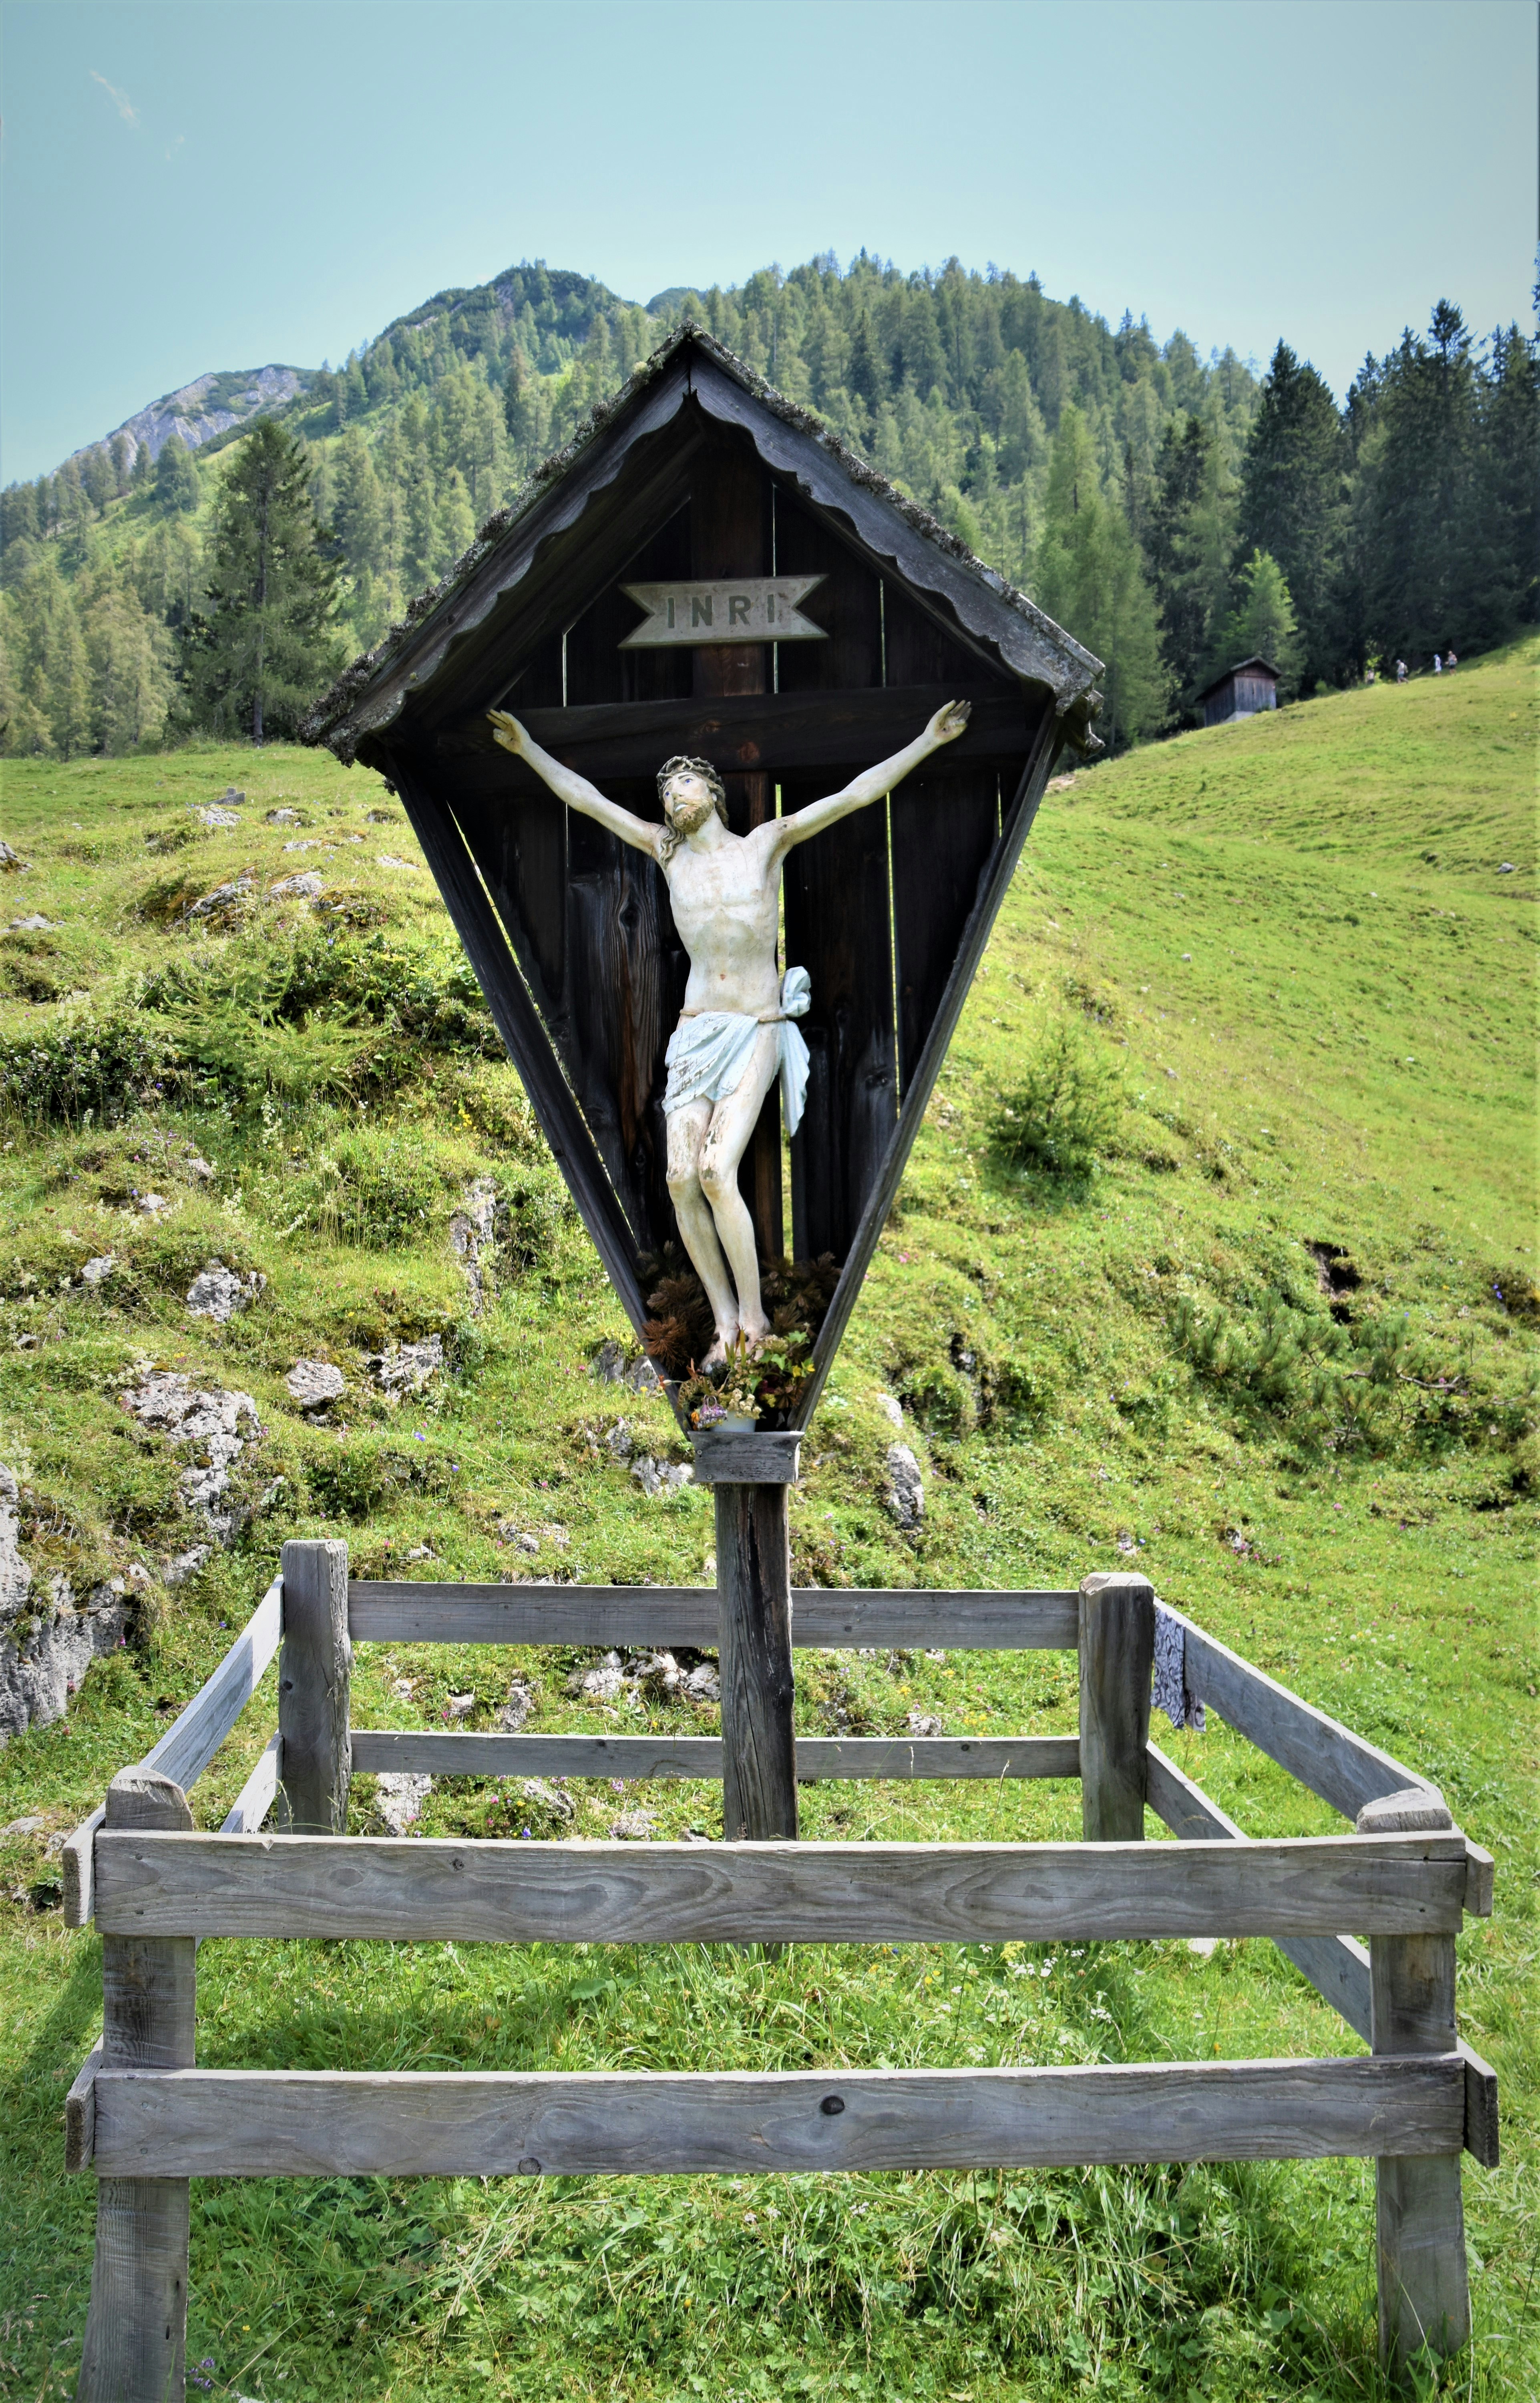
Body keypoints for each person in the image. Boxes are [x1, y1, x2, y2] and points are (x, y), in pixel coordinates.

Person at [488, 697, 972, 1362]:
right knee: (679, 1177)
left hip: (754, 1027)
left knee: (717, 1170)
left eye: (683, 784)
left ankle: (755, 1321)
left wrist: (927, 741)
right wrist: (527, 751)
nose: (671, 797)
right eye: (664, 792)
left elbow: (854, 796)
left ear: (713, 793)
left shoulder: (764, 845)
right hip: (696, 1032)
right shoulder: (666, 853)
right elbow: (589, 801)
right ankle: (722, 1325)